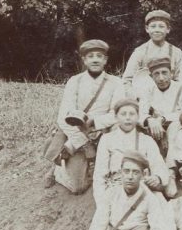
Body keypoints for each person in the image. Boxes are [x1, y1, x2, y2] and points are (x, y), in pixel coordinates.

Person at [44, 39, 124, 194]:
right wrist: (83, 143)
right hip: (78, 135)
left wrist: (96, 123)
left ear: (105, 60)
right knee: (77, 187)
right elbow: (63, 117)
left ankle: (105, 170)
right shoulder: (75, 81)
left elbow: (118, 114)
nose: (95, 59)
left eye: (99, 56)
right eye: (91, 56)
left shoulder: (116, 83)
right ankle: (58, 171)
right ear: (84, 60)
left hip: (103, 132)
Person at [92, 98, 170, 205]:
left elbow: (159, 166)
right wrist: (101, 202)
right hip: (116, 189)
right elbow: (99, 176)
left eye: (132, 114)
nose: (127, 118)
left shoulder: (146, 140)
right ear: (115, 117)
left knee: (161, 207)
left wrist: (157, 178)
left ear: (138, 117)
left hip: (142, 189)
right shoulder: (106, 140)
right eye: (123, 114)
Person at [138, 57, 182, 158]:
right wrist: (149, 120)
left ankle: (172, 168)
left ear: (172, 73)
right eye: (156, 74)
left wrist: (162, 119)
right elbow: (140, 113)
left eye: (164, 72)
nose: (161, 78)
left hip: (178, 129)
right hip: (155, 130)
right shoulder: (147, 90)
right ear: (151, 76)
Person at [122, 10, 182, 97]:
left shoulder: (176, 52)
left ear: (168, 29)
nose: (157, 30)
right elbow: (126, 81)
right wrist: (134, 97)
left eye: (161, 26)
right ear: (147, 29)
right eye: (153, 26)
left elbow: (180, 80)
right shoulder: (140, 52)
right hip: (144, 98)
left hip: (170, 98)